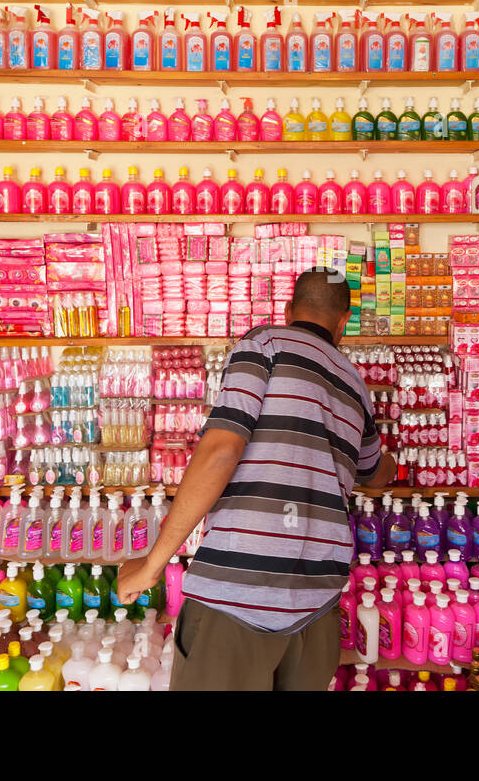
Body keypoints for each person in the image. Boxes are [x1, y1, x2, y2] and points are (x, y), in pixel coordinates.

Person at [117, 267, 396, 690]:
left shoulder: (263, 343)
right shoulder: (355, 384)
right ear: (343, 322)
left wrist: (152, 566)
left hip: (237, 596)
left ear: (288, 310)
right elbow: (376, 475)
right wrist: (388, 460)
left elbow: (221, 450)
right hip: (318, 604)